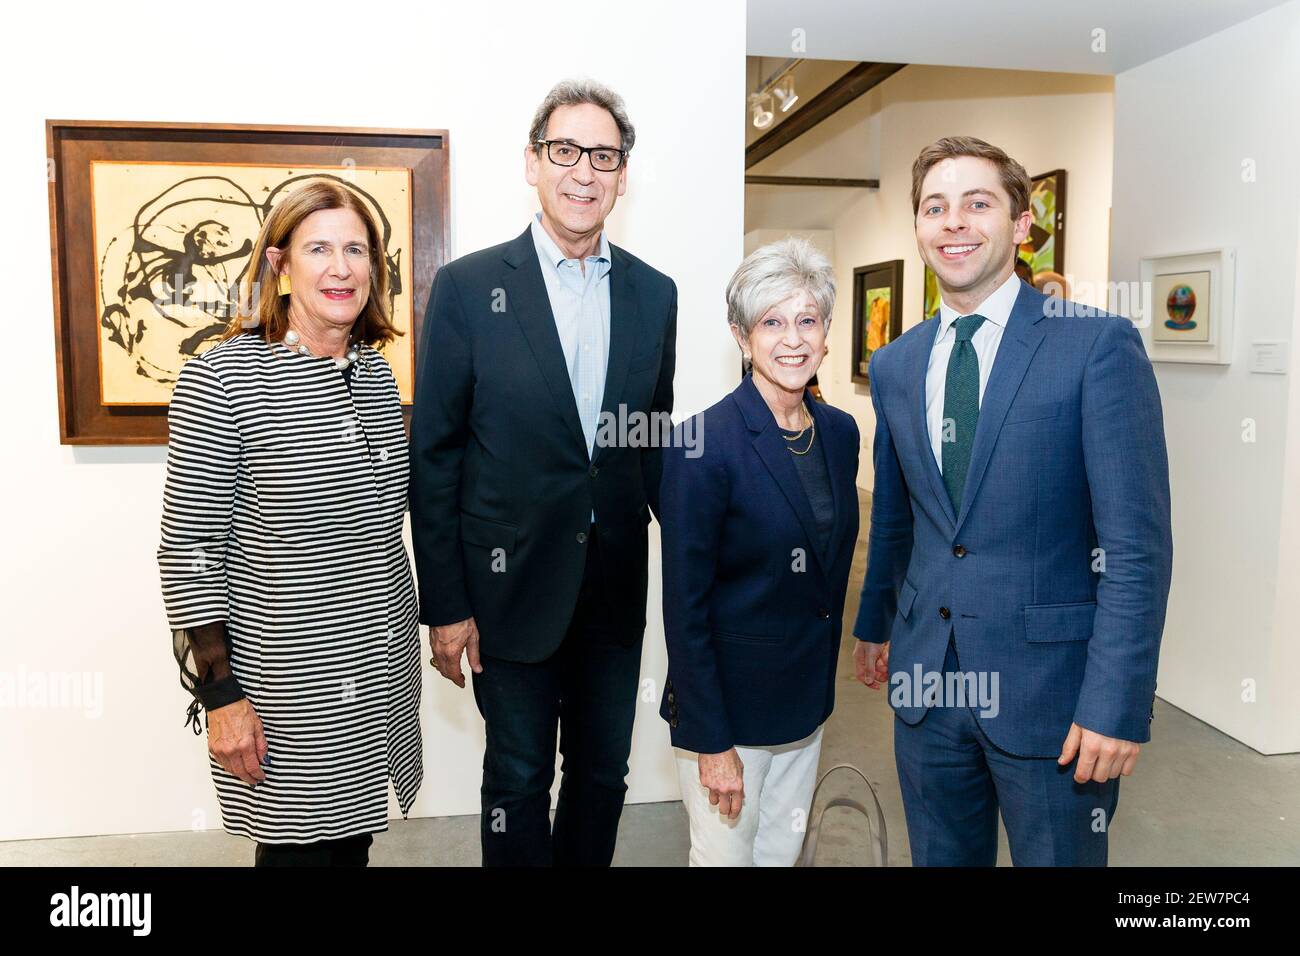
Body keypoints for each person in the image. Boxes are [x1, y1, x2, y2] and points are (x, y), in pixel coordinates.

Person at [852, 136, 1172, 866]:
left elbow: (1136, 550)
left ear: (1022, 224)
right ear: (919, 226)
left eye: (977, 203)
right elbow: (899, 519)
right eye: (935, 207)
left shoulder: (1095, 346)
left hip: (1054, 701)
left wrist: (1116, 704)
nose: (953, 223)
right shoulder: (898, 364)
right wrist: (875, 627)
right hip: (926, 687)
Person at [410, 78, 677, 867]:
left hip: (614, 591)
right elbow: (437, 458)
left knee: (604, 775)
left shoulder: (654, 294)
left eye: (603, 156)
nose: (583, 172)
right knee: (518, 780)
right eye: (565, 151)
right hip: (508, 592)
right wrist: (447, 605)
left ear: (623, 175)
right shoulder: (467, 289)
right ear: (533, 162)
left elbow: (650, 443)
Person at [157, 180, 423, 867]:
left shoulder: (374, 377)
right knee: (302, 856)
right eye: (319, 249)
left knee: (348, 849)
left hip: (376, 669)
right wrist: (220, 697)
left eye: (357, 250)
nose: (341, 267)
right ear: (279, 265)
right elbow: (188, 551)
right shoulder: (222, 379)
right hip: (285, 690)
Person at [659, 237, 860, 866]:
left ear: (827, 332)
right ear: (742, 337)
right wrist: (712, 742)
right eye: (772, 322)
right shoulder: (702, 444)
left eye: (807, 320)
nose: (793, 339)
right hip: (730, 717)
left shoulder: (839, 432)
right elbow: (684, 607)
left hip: (805, 703)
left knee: (781, 852)